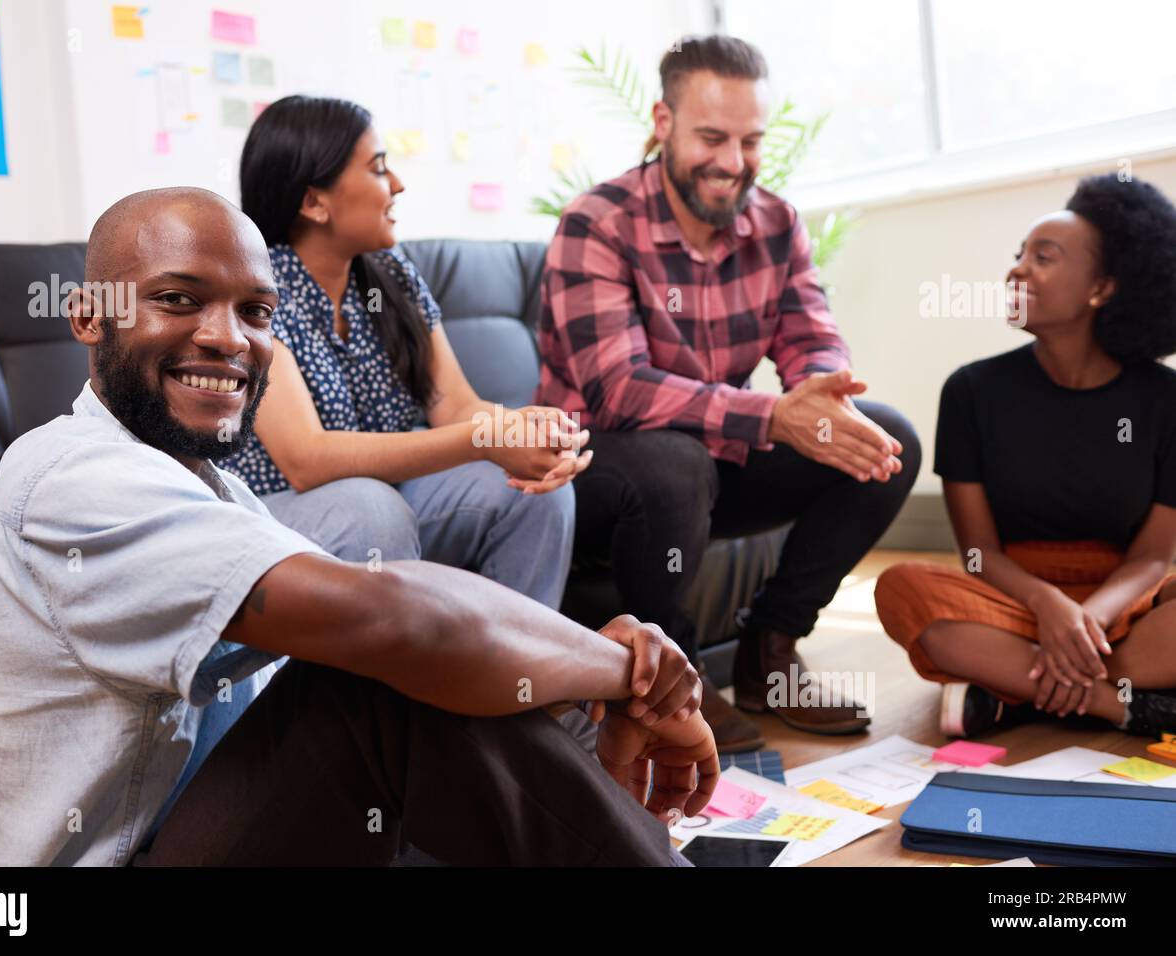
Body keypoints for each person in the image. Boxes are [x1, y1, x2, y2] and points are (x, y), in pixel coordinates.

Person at [0, 187, 717, 866]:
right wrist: (627, 674)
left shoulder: (218, 492)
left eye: (255, 311)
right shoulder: (72, 478)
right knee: (374, 681)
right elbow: (400, 619)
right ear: (88, 318)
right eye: (179, 299)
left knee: (392, 685)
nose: (228, 337)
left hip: (215, 821)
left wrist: (612, 680)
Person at [535, 34, 920, 751]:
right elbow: (620, 390)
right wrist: (775, 414)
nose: (733, 163)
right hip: (597, 475)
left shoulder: (776, 223)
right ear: (662, 122)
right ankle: (672, 677)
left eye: (751, 141)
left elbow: (811, 339)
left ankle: (769, 649)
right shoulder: (598, 222)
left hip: (714, 462)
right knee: (674, 461)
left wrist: (822, 401)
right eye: (712, 137)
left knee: (884, 435)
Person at [222, 96, 586, 610]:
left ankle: (515, 684)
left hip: (388, 491)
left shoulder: (389, 273)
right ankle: (393, 693)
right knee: (375, 510)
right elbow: (304, 459)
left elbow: (456, 407)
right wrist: (483, 438)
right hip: (280, 509)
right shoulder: (257, 289)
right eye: (378, 168)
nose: (397, 184)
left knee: (528, 492)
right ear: (314, 202)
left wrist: (526, 431)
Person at [875, 174, 1176, 740]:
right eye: (1019, 255)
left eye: (1045, 256)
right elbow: (977, 554)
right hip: (1013, 599)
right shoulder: (970, 391)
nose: (1017, 270)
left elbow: (1154, 558)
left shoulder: (1165, 399)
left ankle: (1014, 690)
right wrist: (1050, 607)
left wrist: (1087, 620)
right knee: (902, 587)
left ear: (1102, 288)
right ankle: (1118, 703)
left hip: (1122, 606)